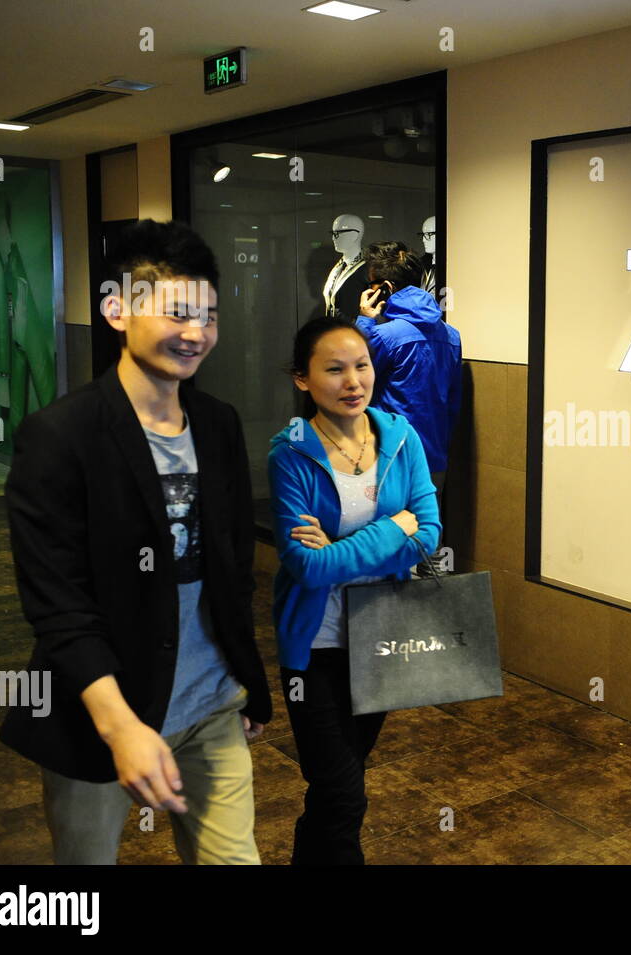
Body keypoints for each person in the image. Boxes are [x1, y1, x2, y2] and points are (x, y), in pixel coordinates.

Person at [0, 218, 272, 865]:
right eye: (178, 311)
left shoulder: (218, 422)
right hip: (104, 713)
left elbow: (233, 566)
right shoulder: (61, 435)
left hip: (211, 706)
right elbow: (58, 604)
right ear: (116, 309)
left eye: (209, 314)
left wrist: (246, 680)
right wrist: (121, 725)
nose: (197, 332)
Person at [268, 316, 440, 865]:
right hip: (313, 648)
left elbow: (431, 533)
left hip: (380, 637)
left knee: (336, 789)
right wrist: (394, 529)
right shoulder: (289, 454)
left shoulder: (401, 437)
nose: (352, 381)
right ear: (303, 379)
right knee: (342, 791)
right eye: (334, 369)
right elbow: (306, 567)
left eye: (361, 366)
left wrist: (339, 549)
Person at [355, 240, 461, 508]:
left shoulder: (384, 336)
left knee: (382, 541)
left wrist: (365, 319)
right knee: (425, 540)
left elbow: (348, 377)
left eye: (372, 285)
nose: (369, 291)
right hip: (434, 457)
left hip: (389, 459)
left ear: (387, 288)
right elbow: (453, 404)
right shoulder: (451, 336)